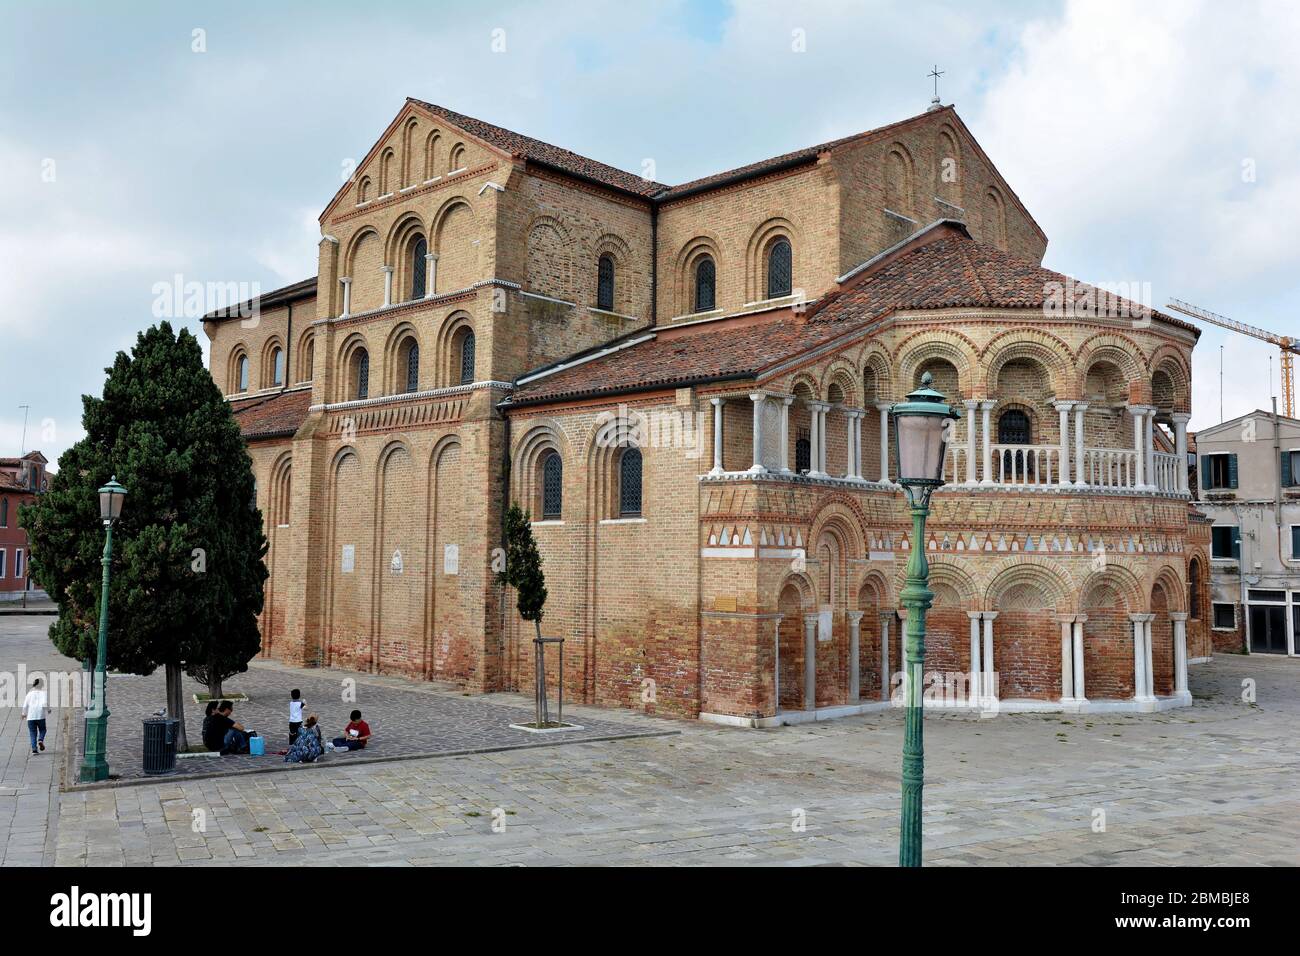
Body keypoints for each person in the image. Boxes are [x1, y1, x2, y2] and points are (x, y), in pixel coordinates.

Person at [21, 678, 48, 756]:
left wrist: (23, 713)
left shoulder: (29, 694)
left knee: (32, 733)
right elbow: (45, 703)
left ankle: (34, 749)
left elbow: (25, 705)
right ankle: (40, 740)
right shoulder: (43, 693)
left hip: (31, 717)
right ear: (42, 685)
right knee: (43, 729)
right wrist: (48, 710)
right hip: (40, 716)